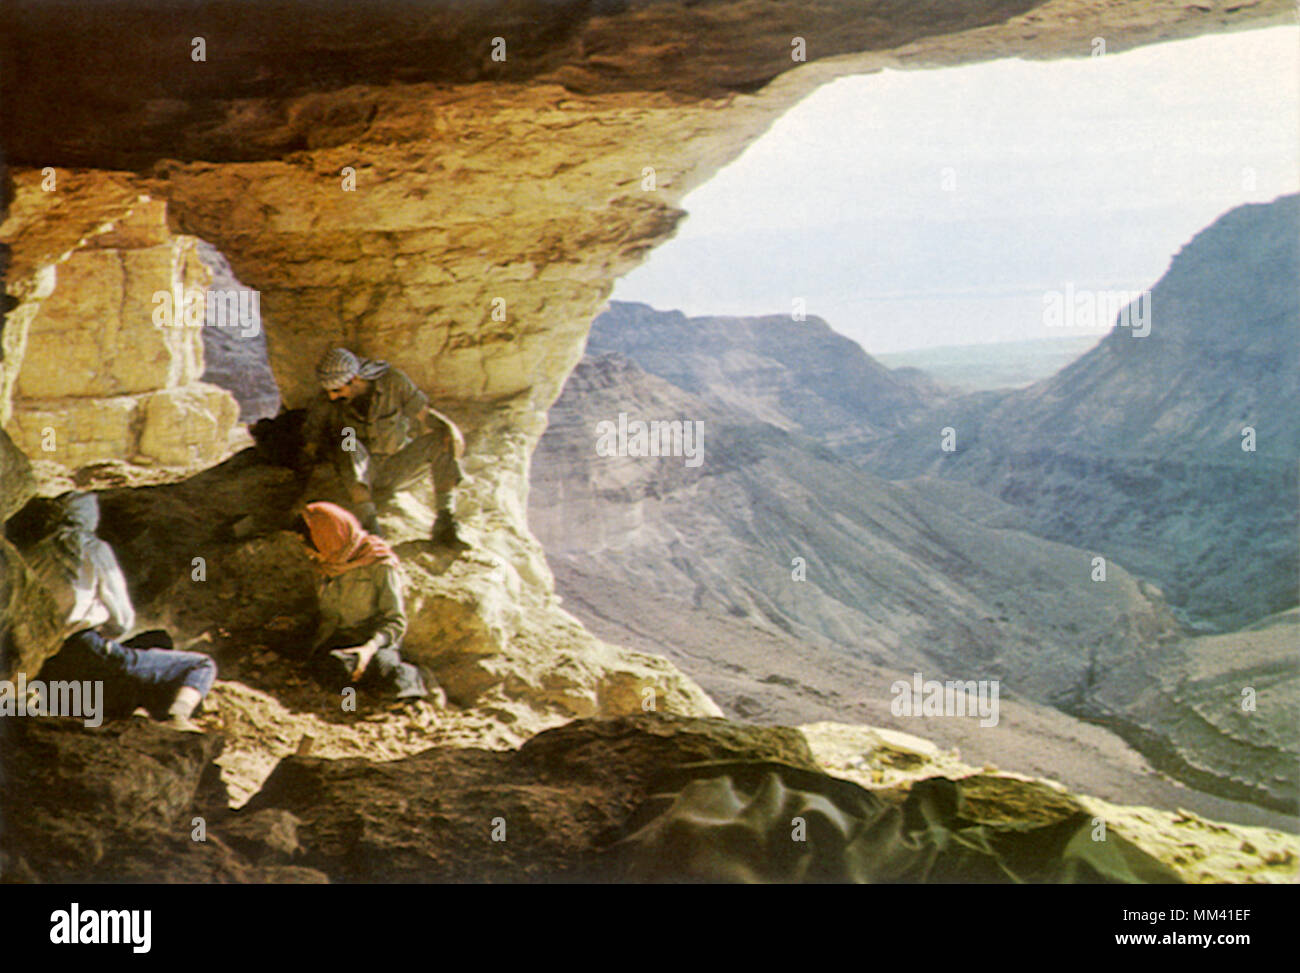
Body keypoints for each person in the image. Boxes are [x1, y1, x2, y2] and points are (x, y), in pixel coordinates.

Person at [28, 492, 216, 732]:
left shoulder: (34, 549)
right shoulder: (92, 547)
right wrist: (107, 636)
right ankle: (175, 718)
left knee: (157, 639)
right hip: (84, 651)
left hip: (43, 665)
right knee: (201, 664)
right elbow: (122, 620)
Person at [301, 348, 467, 546]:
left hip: (395, 467)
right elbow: (311, 443)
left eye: (337, 390)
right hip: (356, 479)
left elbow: (424, 416)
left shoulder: (393, 382)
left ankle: (446, 520)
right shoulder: (327, 402)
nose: (332, 397)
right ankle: (371, 528)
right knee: (348, 442)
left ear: (354, 379)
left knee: (442, 438)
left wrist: (448, 429)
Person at [295, 501, 430, 700]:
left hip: (373, 642)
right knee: (332, 668)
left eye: (311, 544)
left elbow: (395, 621)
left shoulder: (379, 565)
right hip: (341, 640)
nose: (308, 552)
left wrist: (367, 649)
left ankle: (411, 682)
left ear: (330, 539)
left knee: (384, 669)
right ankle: (350, 704)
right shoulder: (329, 564)